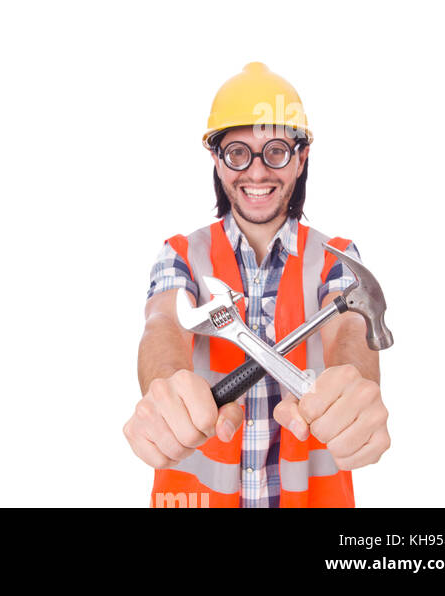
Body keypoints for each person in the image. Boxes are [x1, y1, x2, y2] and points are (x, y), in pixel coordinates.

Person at [124, 63, 389, 508]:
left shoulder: (335, 258)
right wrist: (166, 384)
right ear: (216, 159)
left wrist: (354, 389)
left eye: (277, 152)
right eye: (238, 153)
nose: (258, 173)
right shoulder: (181, 255)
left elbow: (349, 333)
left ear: (302, 157)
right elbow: (164, 324)